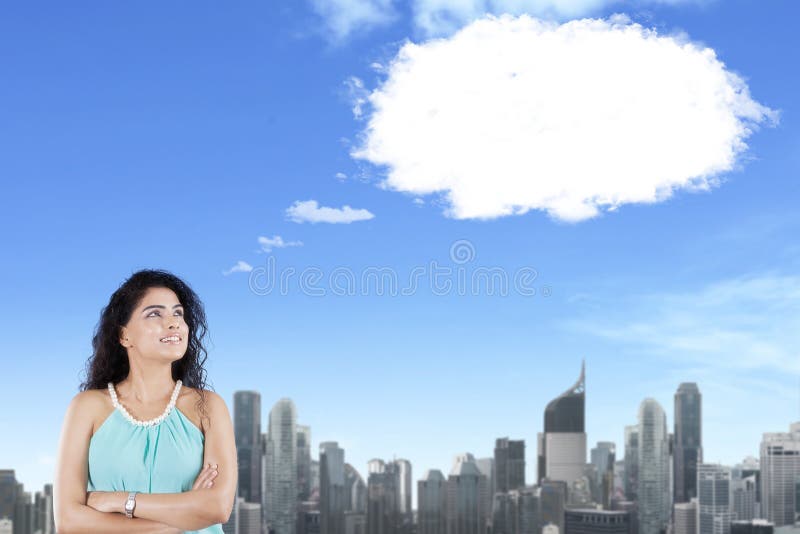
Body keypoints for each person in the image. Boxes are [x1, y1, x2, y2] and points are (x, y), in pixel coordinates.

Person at [54, 269, 237, 533]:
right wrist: (183, 516)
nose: (173, 322)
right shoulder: (87, 407)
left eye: (178, 313)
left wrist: (117, 501)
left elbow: (217, 508)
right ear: (124, 336)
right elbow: (69, 521)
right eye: (155, 313)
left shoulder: (208, 407)